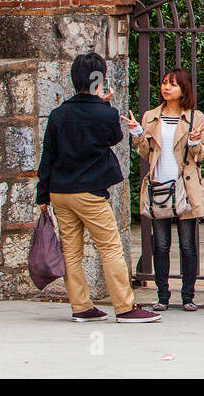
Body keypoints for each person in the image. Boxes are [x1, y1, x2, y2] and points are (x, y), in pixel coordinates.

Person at [36, 52, 161, 323]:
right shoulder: (104, 113)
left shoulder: (58, 115)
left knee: (71, 251)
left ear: (74, 79)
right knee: (111, 248)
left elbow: (48, 155)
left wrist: (42, 195)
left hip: (60, 191)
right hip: (89, 192)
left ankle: (80, 307)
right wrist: (105, 105)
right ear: (100, 80)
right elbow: (115, 137)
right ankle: (125, 308)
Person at [123, 69, 204, 312]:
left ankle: (188, 296)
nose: (166, 88)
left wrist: (193, 142)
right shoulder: (151, 116)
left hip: (185, 187)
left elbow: (202, 155)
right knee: (160, 245)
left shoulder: (195, 117)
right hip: (159, 185)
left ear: (184, 89)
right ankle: (162, 297)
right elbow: (144, 153)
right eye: (163, 83)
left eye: (172, 84)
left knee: (187, 245)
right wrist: (137, 134)